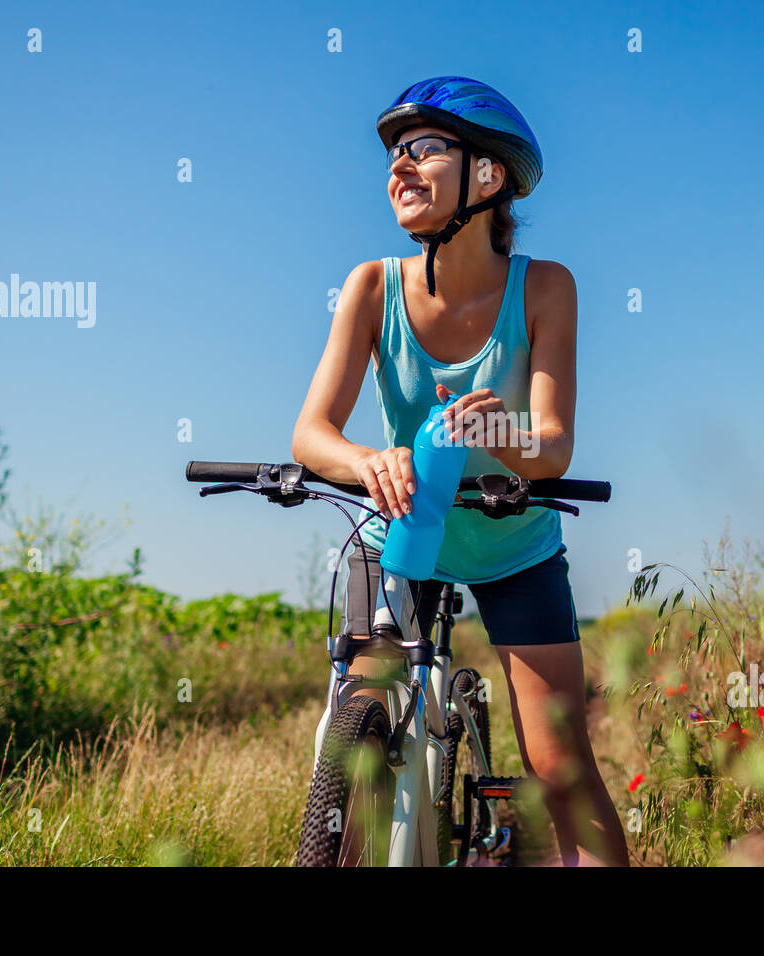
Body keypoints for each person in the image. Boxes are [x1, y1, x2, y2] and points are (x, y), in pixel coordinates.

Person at [292, 76, 628, 866]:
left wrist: (496, 426)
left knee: (560, 765)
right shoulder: (371, 287)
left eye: (424, 150)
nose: (399, 169)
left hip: (515, 547)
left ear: (489, 175)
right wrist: (368, 459)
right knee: (352, 728)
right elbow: (312, 434)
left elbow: (552, 446)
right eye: (393, 156)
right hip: (403, 532)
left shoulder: (545, 288)